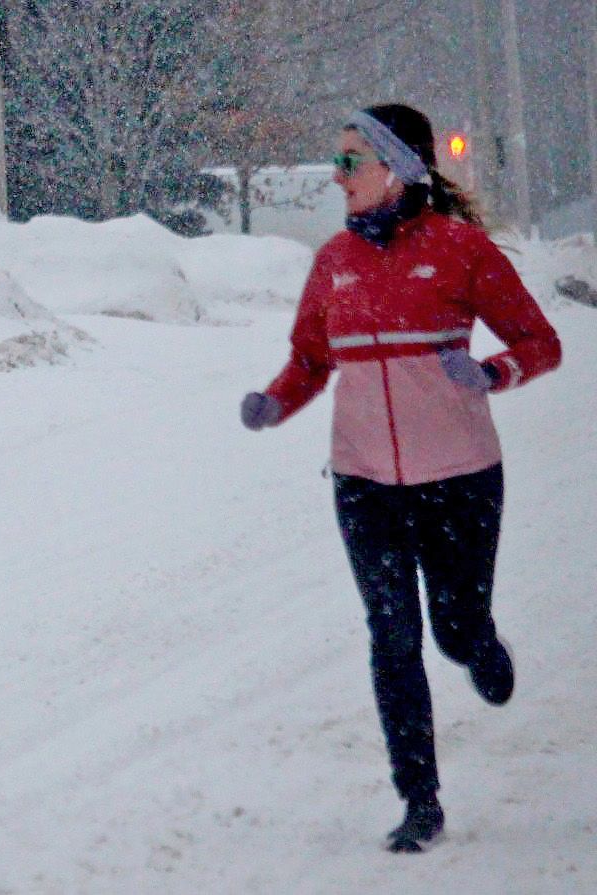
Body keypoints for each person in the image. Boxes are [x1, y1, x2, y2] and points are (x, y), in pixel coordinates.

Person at [240, 104, 561, 853]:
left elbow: (539, 341)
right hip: (364, 483)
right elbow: (313, 360)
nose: (337, 175)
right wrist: (275, 400)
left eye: (351, 161)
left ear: (397, 166)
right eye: (338, 160)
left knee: (450, 628)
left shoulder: (460, 250)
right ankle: (420, 799)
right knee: (391, 634)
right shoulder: (333, 263)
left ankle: (478, 641)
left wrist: (489, 371)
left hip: (460, 478)